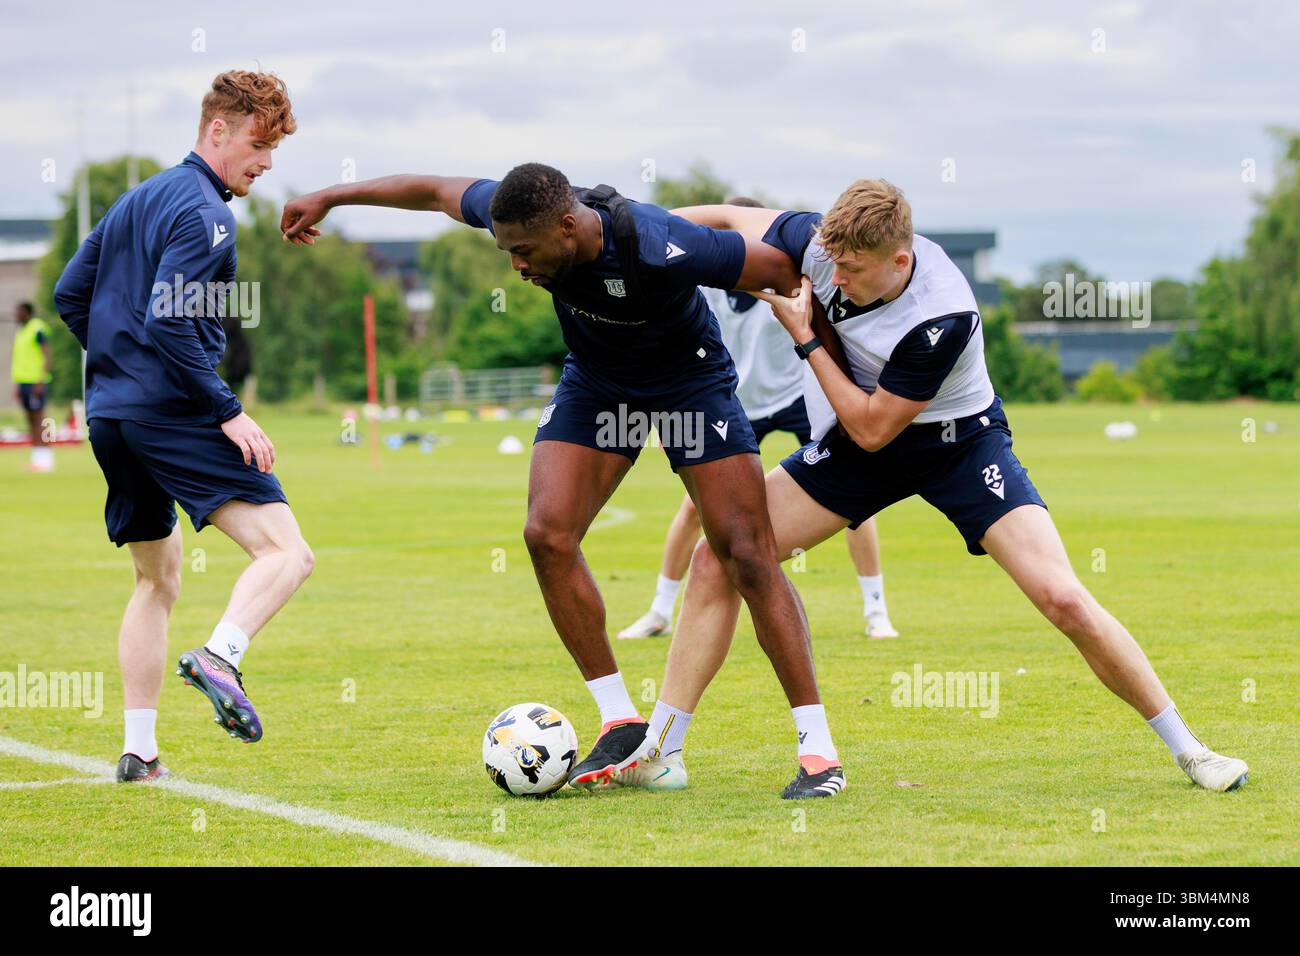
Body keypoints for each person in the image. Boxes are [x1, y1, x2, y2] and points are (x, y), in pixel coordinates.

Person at [638, 180, 1248, 796]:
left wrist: (807, 338)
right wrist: (637, 225)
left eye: (852, 269)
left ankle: (1191, 750)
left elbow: (873, 427)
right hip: (864, 444)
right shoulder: (825, 243)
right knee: (721, 554)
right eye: (833, 263)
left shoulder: (943, 313)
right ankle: (661, 752)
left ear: (899, 261)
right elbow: (724, 217)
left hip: (956, 444)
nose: (836, 278)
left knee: (1063, 598)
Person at [281, 163, 846, 796]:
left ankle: (817, 752)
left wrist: (840, 368)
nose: (516, 266)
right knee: (546, 534)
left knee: (747, 552)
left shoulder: (660, 243)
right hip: (601, 388)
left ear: (568, 227)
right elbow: (434, 192)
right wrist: (332, 195)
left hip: (689, 389)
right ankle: (621, 720)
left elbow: (780, 270)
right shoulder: (520, 207)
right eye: (506, 251)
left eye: (524, 251)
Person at [53, 70, 313, 783]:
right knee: (287, 554)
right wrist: (227, 410)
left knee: (155, 580)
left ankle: (140, 752)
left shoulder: (138, 199)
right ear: (217, 131)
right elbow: (169, 319)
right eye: (259, 146)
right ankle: (221, 654)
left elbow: (71, 293)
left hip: (111, 416)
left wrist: (116, 367)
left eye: (274, 151)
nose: (264, 163)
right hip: (172, 410)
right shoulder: (209, 211)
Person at [618, 199, 898, 642]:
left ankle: (876, 611)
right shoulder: (702, 281)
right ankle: (658, 611)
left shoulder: (789, 278)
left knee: (855, 506)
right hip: (736, 402)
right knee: (695, 508)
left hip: (797, 398)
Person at [10, 301, 54, 472]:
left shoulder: (37, 328)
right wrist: (17, 385)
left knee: (39, 420)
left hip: (35, 382)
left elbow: (47, 354)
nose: (16, 315)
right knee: (30, 420)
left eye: (19, 311)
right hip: (23, 382)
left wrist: (41, 380)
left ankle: (46, 461)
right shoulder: (21, 330)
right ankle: (37, 460)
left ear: (27, 312)